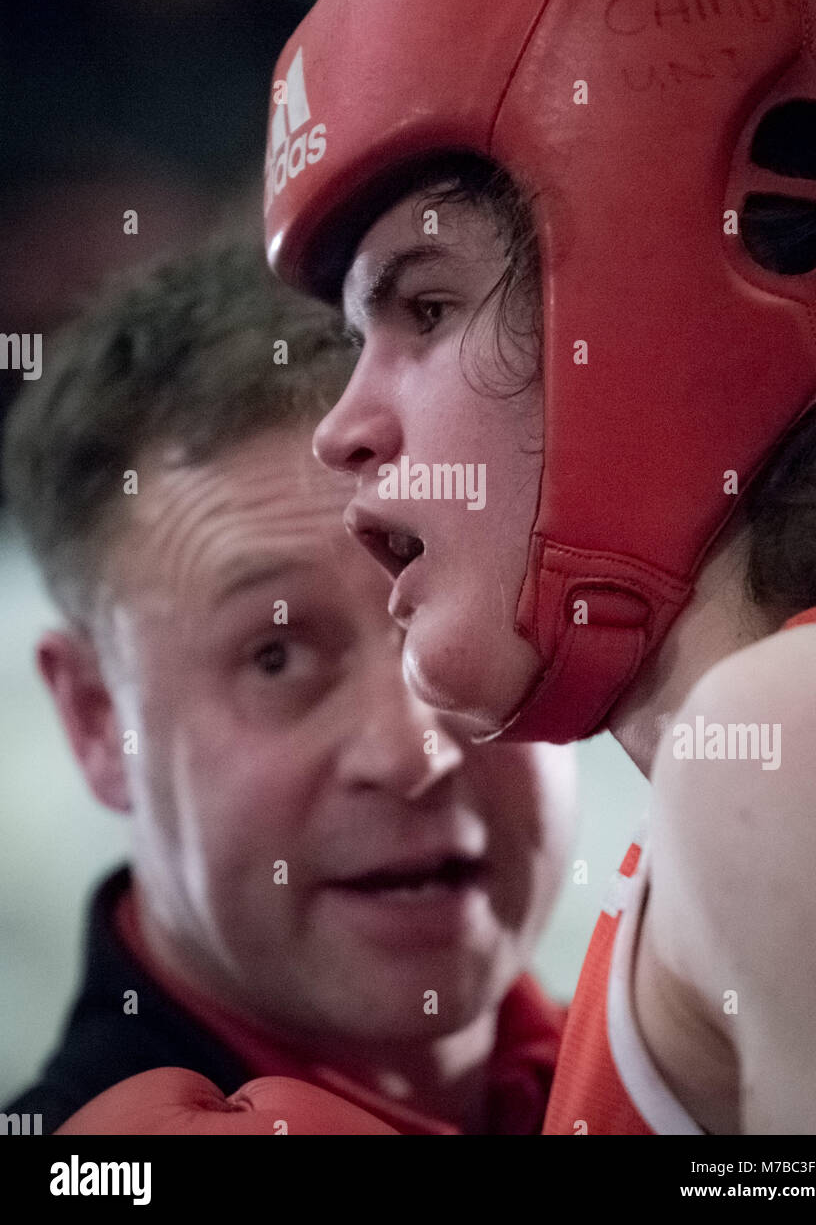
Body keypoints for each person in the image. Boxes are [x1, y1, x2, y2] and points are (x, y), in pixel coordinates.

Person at [262, 0, 816, 1134]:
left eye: (426, 304)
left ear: (670, 302)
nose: (343, 430)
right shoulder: (736, 787)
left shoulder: (809, 730)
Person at [0, 239, 577, 1135]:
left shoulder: (701, 1091)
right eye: (276, 656)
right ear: (96, 717)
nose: (412, 752)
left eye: (468, 610)